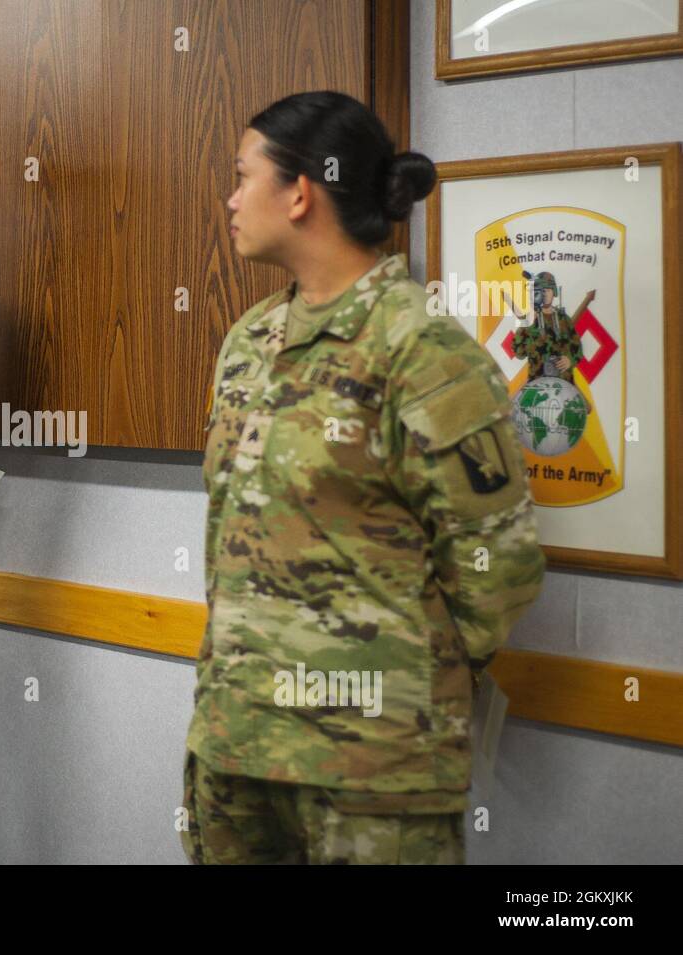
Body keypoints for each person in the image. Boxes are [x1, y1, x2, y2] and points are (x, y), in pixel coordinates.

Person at [183, 91, 545, 865]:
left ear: (301, 191)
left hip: (372, 770)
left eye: (243, 176)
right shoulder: (250, 340)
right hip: (239, 745)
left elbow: (497, 570)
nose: (231, 197)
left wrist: (403, 683)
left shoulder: (421, 350)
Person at [510, 270, 591, 383]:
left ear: (554, 292)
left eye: (547, 290)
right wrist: (526, 325)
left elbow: (577, 348)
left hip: (564, 385)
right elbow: (519, 354)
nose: (544, 294)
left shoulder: (563, 319)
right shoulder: (530, 321)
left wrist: (570, 360)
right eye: (540, 291)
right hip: (537, 387)